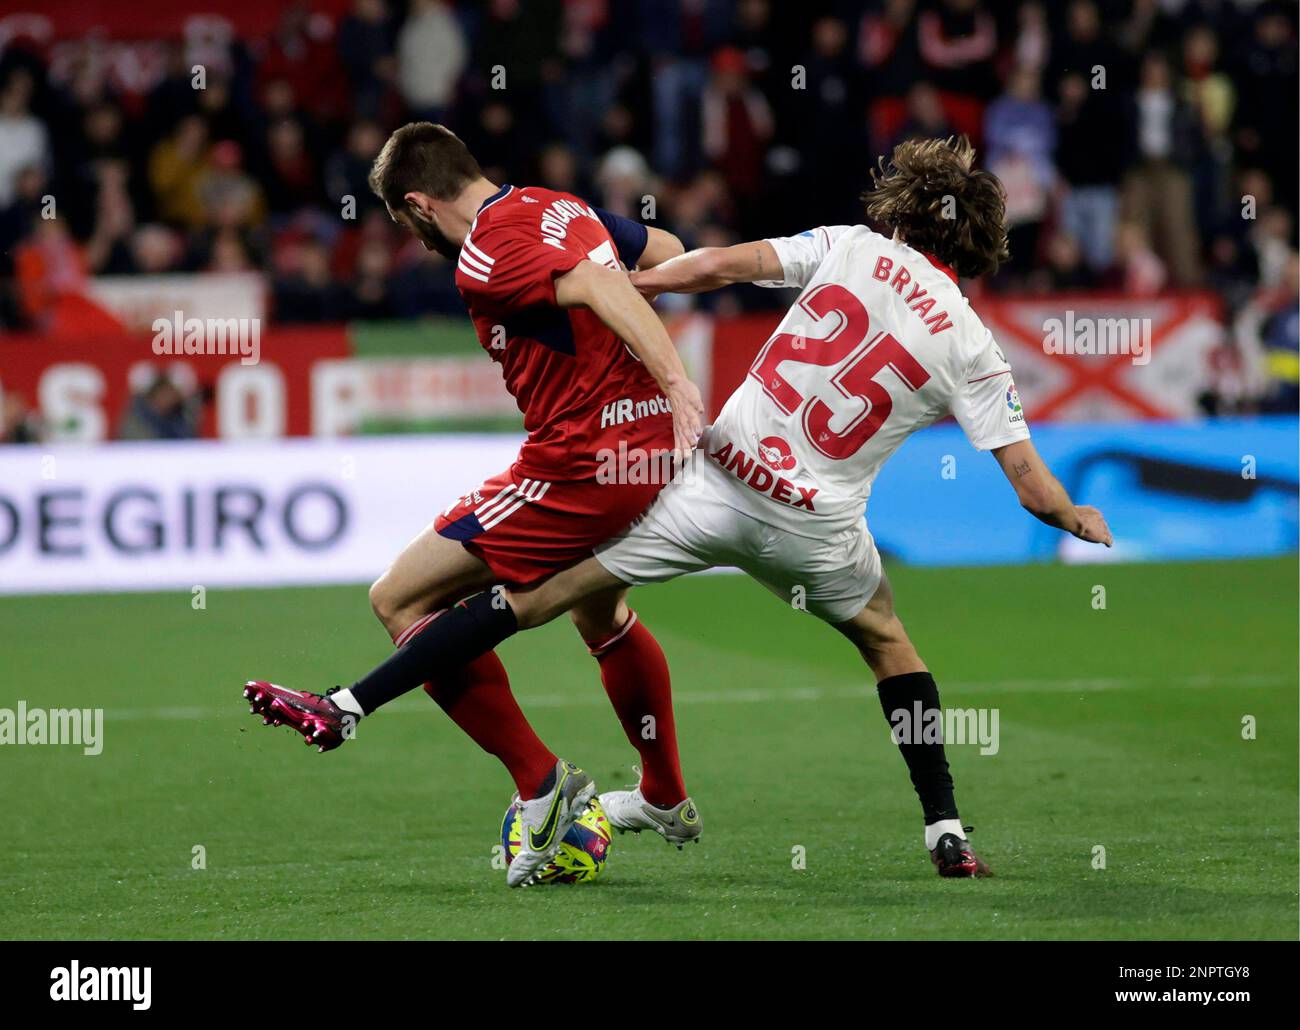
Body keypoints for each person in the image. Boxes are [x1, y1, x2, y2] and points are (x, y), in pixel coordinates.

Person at [281, 136, 1114, 878]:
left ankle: (363, 708)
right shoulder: (974, 344)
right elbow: (1035, 491)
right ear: (974, 244)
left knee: (531, 599)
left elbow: (713, 264)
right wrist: (1079, 516)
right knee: (891, 647)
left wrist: (622, 286)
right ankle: (943, 829)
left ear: (903, 206)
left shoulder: (850, 247)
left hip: (711, 480)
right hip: (816, 529)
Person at [244, 123, 706, 887]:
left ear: (420, 204)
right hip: (642, 451)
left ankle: (541, 783)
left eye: (401, 219)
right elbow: (663, 249)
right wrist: (647, 378)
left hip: (579, 465)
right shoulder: (558, 206)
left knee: (398, 595)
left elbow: (596, 285)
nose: (407, 232)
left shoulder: (485, 252)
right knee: (601, 615)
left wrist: (676, 380)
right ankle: (663, 793)